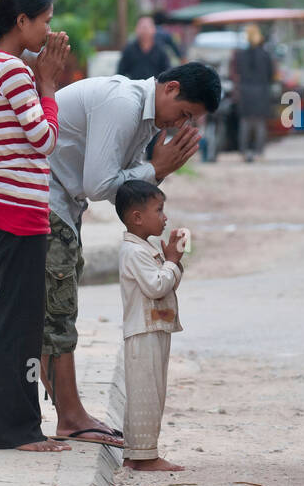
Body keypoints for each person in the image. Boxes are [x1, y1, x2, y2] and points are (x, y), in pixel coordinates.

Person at [43, 62, 222, 446]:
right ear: (170, 88)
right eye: (185, 113)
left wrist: (154, 173)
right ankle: (70, 417)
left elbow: (115, 185)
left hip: (60, 204)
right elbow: (100, 183)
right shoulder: (123, 102)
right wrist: (155, 169)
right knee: (57, 311)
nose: (179, 124)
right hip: (45, 199)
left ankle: (70, 413)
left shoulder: (143, 119)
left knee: (55, 307)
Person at [0, 0, 72, 453]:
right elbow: (45, 139)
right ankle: (16, 432)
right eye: (45, 20)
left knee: (20, 323)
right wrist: (48, 85)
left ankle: (21, 427)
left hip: (14, 209)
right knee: (17, 326)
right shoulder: (10, 71)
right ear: (22, 21)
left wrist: (41, 80)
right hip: (16, 212)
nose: (50, 30)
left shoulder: (1, 67)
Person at [116, 180, 186, 472]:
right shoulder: (134, 252)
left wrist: (173, 262)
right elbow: (157, 286)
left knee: (148, 392)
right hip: (144, 332)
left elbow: (168, 282)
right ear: (137, 217)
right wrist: (171, 262)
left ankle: (136, 453)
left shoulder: (145, 247)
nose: (165, 217)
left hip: (153, 329)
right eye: (159, 210)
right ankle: (146, 456)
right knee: (147, 394)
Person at [231, 24, 274, 162]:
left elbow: (236, 73)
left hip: (244, 92)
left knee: (245, 123)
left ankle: (243, 153)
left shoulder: (239, 55)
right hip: (261, 91)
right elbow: (271, 75)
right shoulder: (266, 55)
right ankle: (259, 153)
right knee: (260, 124)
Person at [118, 15, 173, 81]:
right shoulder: (129, 49)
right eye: (142, 27)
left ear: (154, 29)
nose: (144, 30)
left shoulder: (161, 49)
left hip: (155, 88)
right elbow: (120, 74)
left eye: (147, 27)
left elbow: (167, 72)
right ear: (136, 29)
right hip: (134, 87)